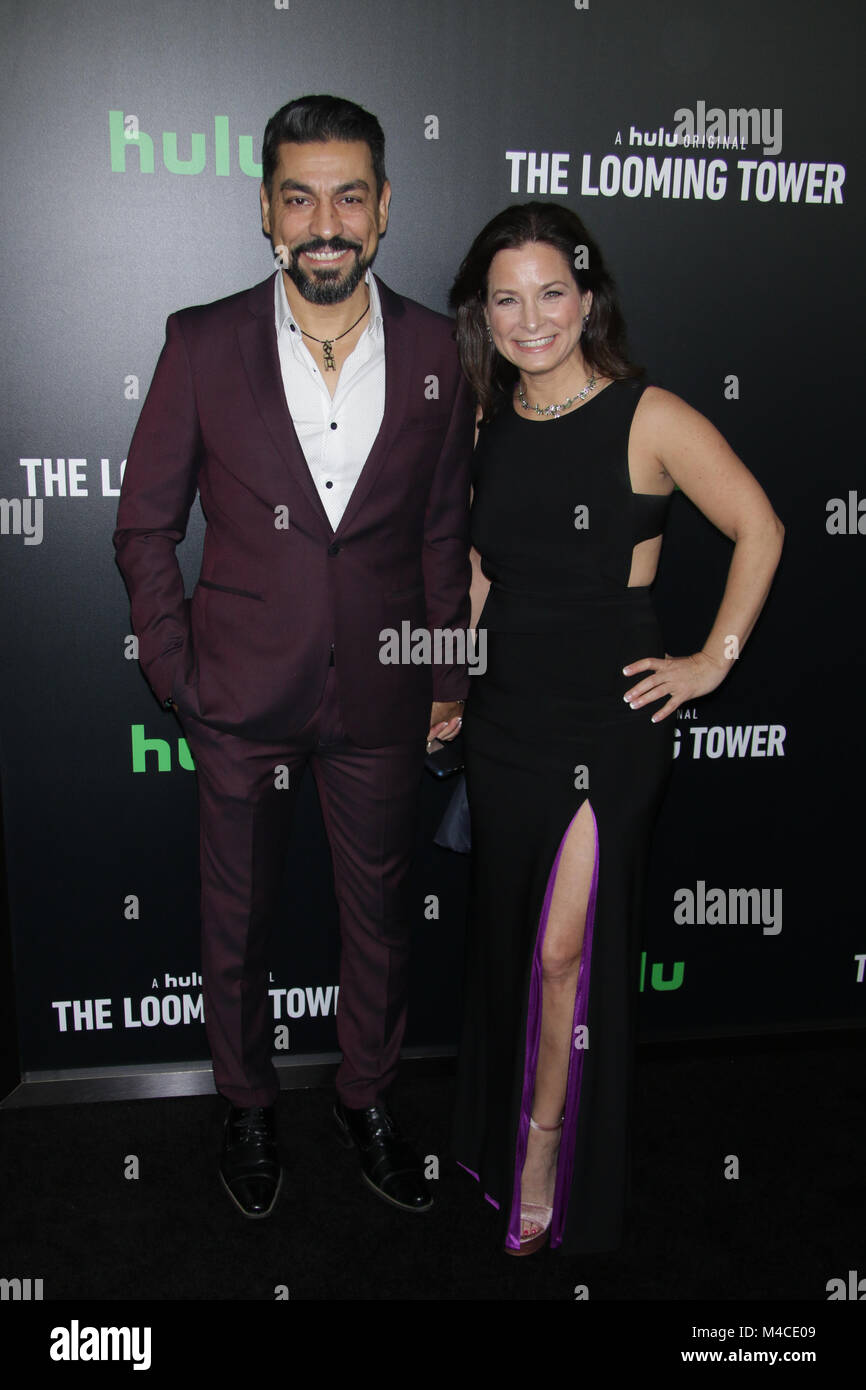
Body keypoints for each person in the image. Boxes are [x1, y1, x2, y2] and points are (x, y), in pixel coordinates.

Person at [113, 95, 473, 1220]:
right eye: (300, 196)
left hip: (381, 694)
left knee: (378, 918)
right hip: (238, 700)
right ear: (266, 210)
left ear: (381, 210)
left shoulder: (432, 349)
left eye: (349, 195)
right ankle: (247, 1106)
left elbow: (439, 532)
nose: (326, 220)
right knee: (237, 921)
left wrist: (447, 676)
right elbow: (143, 526)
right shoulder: (201, 340)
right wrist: (177, 674)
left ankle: (363, 1096)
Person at [449, 201, 784, 1256]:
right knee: (510, 943)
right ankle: (498, 1124)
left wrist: (709, 663)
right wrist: (449, 684)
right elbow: (477, 572)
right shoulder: (483, 420)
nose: (529, 316)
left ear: (587, 299)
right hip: (505, 717)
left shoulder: (647, 416)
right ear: (483, 313)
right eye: (506, 297)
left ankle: (544, 1148)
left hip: (609, 719)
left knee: (561, 952)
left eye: (550, 291)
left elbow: (759, 526)